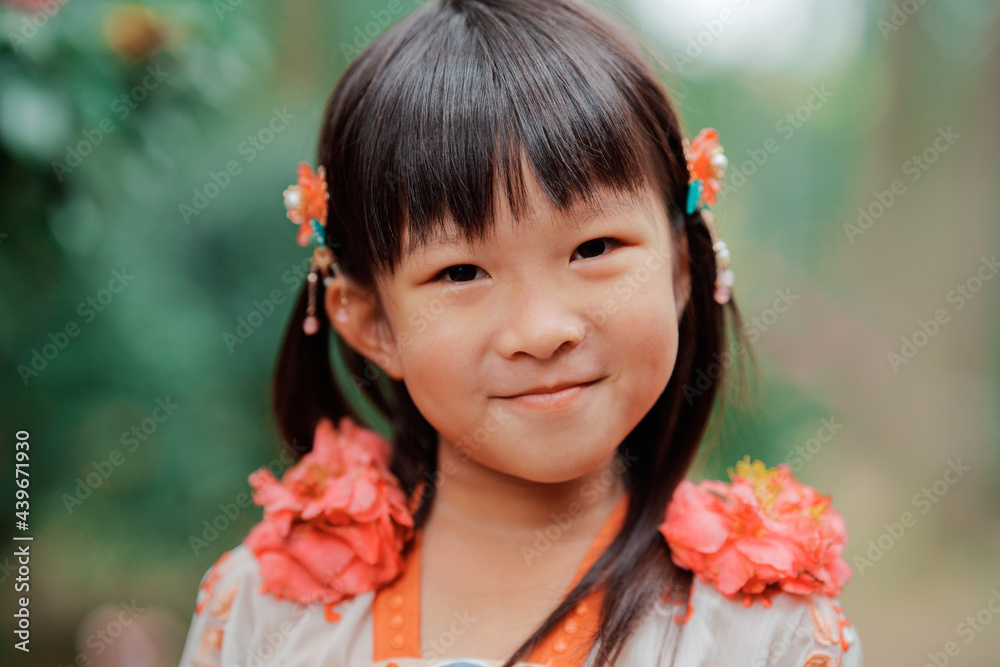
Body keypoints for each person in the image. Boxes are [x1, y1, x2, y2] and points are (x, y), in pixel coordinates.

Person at [178, 0, 863, 665]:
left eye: (594, 249)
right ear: (370, 321)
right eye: (461, 271)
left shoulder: (765, 634)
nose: (541, 331)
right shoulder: (263, 612)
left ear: (682, 268)